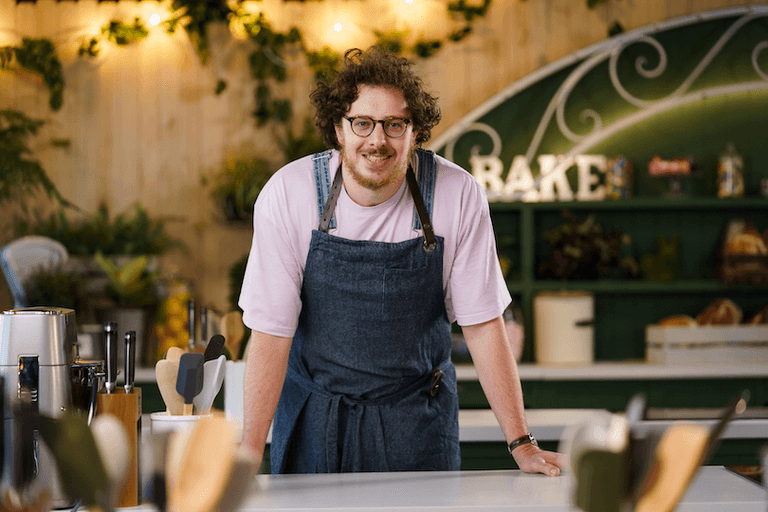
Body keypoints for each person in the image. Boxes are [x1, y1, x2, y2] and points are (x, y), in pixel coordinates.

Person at [239, 46, 564, 476]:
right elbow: (271, 335)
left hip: (418, 425)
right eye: (362, 123)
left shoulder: (456, 193)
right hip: (317, 423)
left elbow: (483, 325)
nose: (377, 140)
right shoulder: (289, 194)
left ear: (415, 132)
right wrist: (246, 456)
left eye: (395, 124)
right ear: (339, 129)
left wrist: (522, 444)